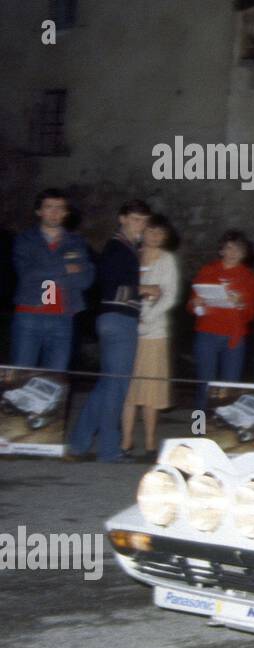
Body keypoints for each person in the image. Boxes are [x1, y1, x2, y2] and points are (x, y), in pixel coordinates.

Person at [66, 199, 151, 463]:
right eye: (135, 219)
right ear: (122, 219)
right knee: (117, 387)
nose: (140, 225)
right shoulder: (118, 248)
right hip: (118, 320)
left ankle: (79, 442)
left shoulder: (128, 248)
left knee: (108, 384)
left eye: (144, 221)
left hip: (115, 319)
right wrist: (144, 290)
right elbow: (112, 286)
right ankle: (109, 450)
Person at [11, 188, 94, 371]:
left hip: (63, 317)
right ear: (39, 211)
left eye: (60, 208)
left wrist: (45, 270)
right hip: (29, 315)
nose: (55, 212)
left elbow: (85, 280)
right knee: (20, 375)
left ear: (66, 213)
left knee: (55, 378)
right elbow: (28, 275)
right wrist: (66, 268)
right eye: (49, 207)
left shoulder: (77, 242)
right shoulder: (25, 240)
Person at [121, 215, 180, 456]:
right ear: (143, 232)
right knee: (128, 388)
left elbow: (170, 295)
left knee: (150, 390)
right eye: (151, 231)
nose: (155, 236)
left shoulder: (167, 260)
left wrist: (150, 317)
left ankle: (150, 443)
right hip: (128, 328)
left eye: (160, 233)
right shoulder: (131, 254)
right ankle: (125, 442)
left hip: (154, 332)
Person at [189, 230, 254, 411]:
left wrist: (241, 304)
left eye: (238, 249)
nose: (233, 252)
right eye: (229, 248)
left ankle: (222, 427)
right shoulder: (208, 270)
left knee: (230, 388)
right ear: (221, 250)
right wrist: (196, 303)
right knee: (204, 386)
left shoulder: (249, 277)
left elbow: (251, 315)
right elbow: (191, 305)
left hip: (234, 337)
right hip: (207, 334)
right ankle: (198, 427)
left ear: (244, 252)